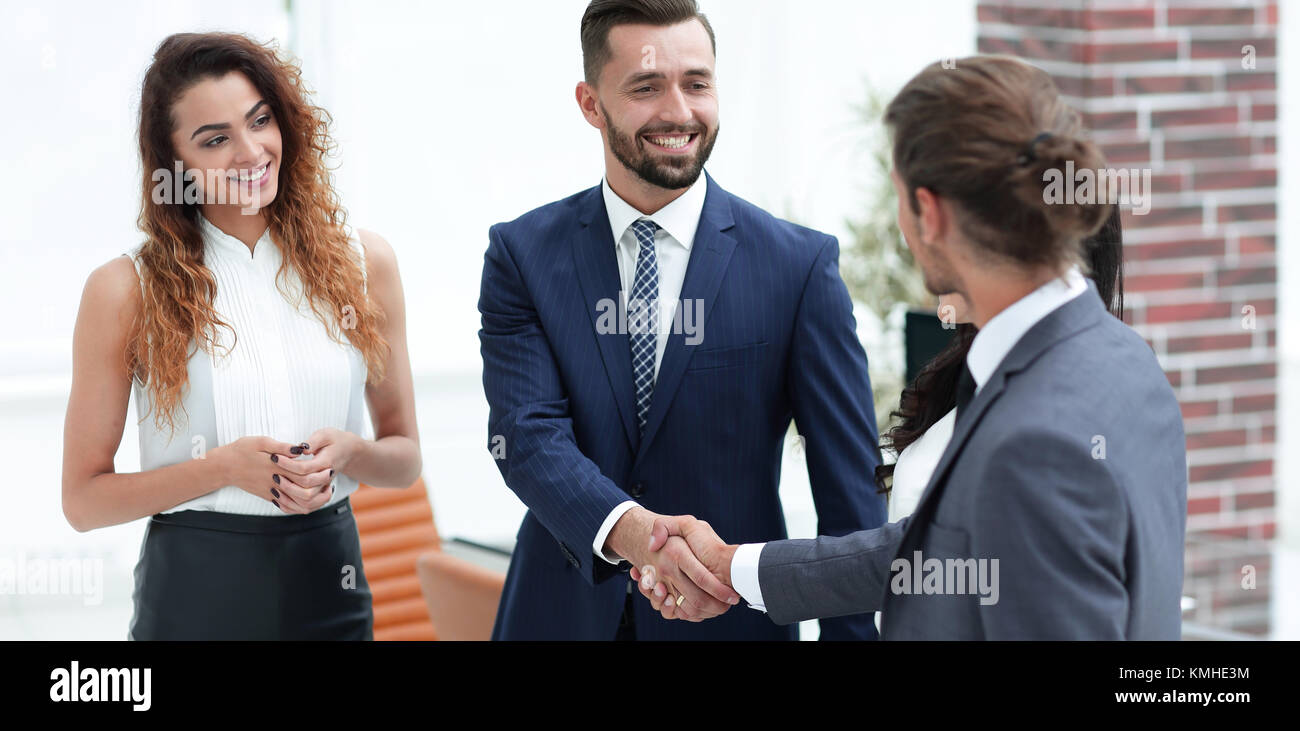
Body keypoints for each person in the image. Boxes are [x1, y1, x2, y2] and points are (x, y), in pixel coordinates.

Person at [632, 55, 1189, 639]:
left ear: (930, 212)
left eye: (899, 196)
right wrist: (734, 568)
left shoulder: (1031, 443)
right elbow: (943, 553)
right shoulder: (1127, 360)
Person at [478, 0, 886, 640]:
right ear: (590, 103)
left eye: (697, 84)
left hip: (731, 624)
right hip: (560, 617)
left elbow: (850, 496)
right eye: (646, 87)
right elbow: (526, 437)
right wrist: (636, 534)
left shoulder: (798, 267)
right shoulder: (522, 255)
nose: (678, 112)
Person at [61, 32, 421, 640]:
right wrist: (222, 468)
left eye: (260, 120)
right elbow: (83, 502)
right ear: (174, 163)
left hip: (330, 589)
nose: (251, 152)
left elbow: (404, 459)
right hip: (194, 602)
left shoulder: (365, 264)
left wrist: (350, 454)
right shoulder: (125, 290)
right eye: (215, 139)